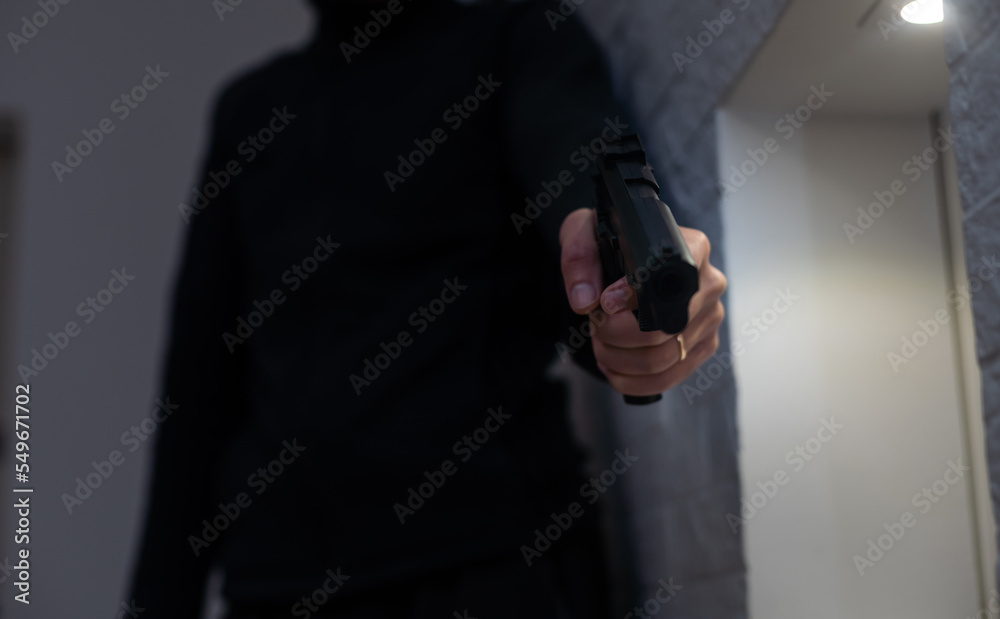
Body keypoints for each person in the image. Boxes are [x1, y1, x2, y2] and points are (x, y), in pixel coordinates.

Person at [128, 1, 726, 617]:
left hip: (497, 564)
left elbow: (576, 166)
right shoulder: (249, 111)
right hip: (280, 583)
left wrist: (624, 286)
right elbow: (197, 387)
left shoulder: (515, 38)